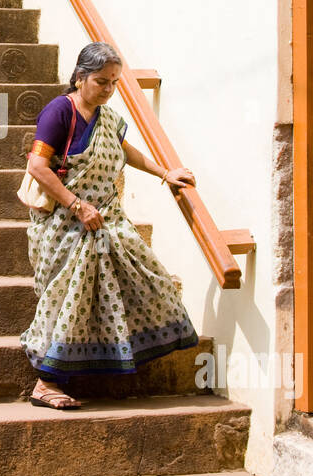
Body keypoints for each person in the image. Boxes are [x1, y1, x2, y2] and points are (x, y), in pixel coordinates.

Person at [21, 40, 200, 409]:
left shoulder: (108, 119)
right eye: (102, 81)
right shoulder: (59, 112)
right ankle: (45, 383)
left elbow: (124, 150)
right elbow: (38, 167)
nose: (109, 89)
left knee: (147, 278)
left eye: (114, 82)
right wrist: (77, 206)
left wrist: (165, 173)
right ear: (80, 77)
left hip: (104, 219)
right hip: (65, 224)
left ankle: (110, 358)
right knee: (67, 298)